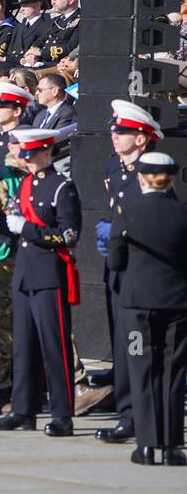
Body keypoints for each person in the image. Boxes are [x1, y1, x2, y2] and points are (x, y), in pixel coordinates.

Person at [0, 127, 81, 438]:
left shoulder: (61, 187)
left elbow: (69, 235)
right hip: (25, 272)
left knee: (54, 347)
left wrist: (27, 229)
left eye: (31, 155)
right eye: (23, 155)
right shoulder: (26, 184)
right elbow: (14, 226)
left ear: (47, 152)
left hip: (49, 273)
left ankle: (62, 414)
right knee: (23, 347)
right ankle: (23, 410)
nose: (26, 161)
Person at [107, 151, 187, 466]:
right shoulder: (183, 213)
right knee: (173, 371)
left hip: (136, 307)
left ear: (141, 179)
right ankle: (171, 447)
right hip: (176, 306)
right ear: (170, 180)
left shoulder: (126, 211)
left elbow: (116, 260)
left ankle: (145, 445)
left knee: (141, 370)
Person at [92, 100, 161, 446]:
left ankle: (140, 416)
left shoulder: (153, 172)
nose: (115, 136)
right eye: (115, 131)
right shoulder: (114, 167)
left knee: (139, 345)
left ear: (143, 138)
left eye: (123, 132)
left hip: (140, 267)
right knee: (122, 343)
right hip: (117, 266)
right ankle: (126, 411)